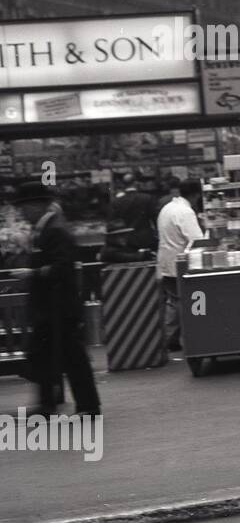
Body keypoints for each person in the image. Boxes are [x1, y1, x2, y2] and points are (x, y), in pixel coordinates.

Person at [16, 181, 101, 418]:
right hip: (51, 308)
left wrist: (33, 273)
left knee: (72, 358)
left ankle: (87, 406)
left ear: (38, 206)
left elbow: (62, 267)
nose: (22, 212)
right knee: (47, 355)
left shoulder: (55, 230)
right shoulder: (45, 229)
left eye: (25, 207)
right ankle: (49, 404)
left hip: (59, 308)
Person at [156, 179, 206, 351]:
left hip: (167, 262)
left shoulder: (168, 207)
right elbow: (197, 240)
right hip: (181, 264)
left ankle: (170, 339)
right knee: (194, 300)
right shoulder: (185, 212)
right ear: (196, 195)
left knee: (174, 301)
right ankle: (196, 335)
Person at [110, 172, 156, 253]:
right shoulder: (147, 198)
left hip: (126, 240)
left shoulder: (117, 202)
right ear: (136, 183)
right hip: (145, 238)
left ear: (123, 185)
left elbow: (113, 222)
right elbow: (154, 218)